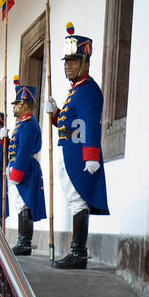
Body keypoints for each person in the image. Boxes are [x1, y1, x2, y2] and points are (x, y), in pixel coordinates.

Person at [45, 23, 108, 269]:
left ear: (85, 63)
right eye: (66, 62)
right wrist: (55, 115)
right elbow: (70, 122)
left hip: (80, 153)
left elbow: (91, 122)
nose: (68, 65)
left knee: (78, 200)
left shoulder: (89, 90)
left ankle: (78, 252)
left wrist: (91, 155)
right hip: (70, 149)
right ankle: (76, 251)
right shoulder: (75, 90)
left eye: (74, 61)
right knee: (74, 200)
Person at [8, 80, 46, 256]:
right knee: (19, 204)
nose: (14, 107)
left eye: (16, 104)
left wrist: (16, 172)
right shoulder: (23, 123)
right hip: (20, 166)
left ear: (24, 105)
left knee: (25, 204)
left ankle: (25, 243)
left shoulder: (29, 124)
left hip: (25, 168)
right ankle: (21, 240)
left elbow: (23, 150)